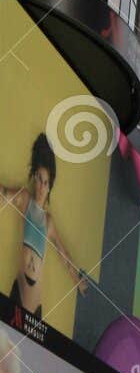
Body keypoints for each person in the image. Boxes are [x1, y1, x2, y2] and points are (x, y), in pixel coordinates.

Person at [1, 133, 88, 320]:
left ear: (49, 187)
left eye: (46, 182)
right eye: (39, 178)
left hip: (35, 301)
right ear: (34, 177)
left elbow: (63, 254)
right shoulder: (25, 199)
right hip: (20, 288)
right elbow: (5, 194)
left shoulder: (48, 222)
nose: (41, 185)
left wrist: (77, 281)